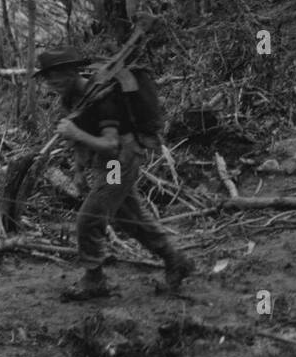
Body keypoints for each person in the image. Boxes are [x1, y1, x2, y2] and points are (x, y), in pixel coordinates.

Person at [35, 48, 193, 301]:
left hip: (118, 163)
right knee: (131, 219)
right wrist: (78, 170)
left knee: (89, 217)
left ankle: (94, 279)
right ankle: (176, 261)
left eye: (57, 75)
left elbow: (111, 144)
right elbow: (80, 139)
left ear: (72, 71)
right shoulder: (71, 99)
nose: (52, 82)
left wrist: (75, 133)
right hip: (105, 162)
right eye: (48, 77)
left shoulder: (102, 97)